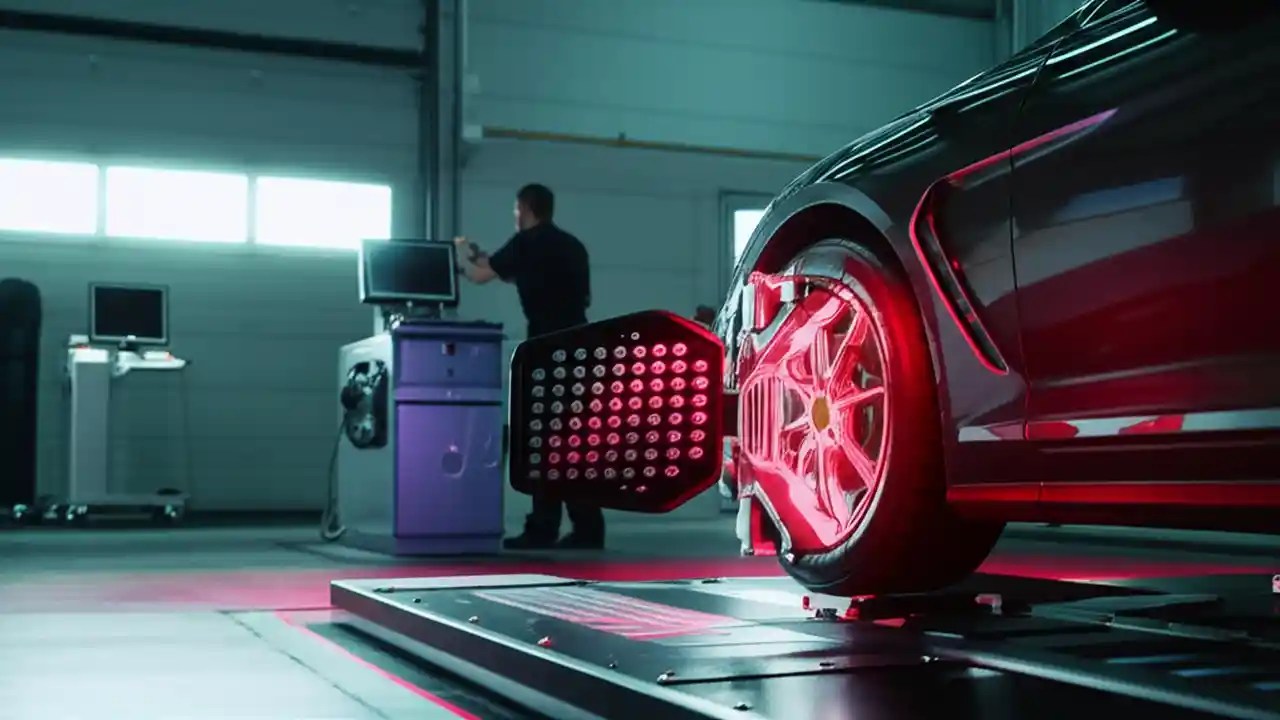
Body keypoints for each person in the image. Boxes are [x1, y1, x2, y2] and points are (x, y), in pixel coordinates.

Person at [454, 183, 604, 550]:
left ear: (525, 208)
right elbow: (514, 271)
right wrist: (488, 258)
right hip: (580, 349)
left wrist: (459, 253)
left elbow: (480, 275)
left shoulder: (525, 243)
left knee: (542, 441)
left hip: (545, 349)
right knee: (575, 441)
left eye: (516, 209)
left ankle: (543, 527)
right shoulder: (572, 245)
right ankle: (588, 529)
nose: (514, 215)